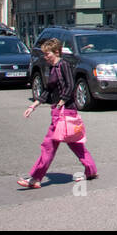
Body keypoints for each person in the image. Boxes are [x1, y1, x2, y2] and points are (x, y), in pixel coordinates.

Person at [18, 38, 97, 188]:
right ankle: (91, 170)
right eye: (44, 54)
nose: (45, 57)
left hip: (64, 111)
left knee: (48, 145)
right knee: (75, 143)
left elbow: (70, 85)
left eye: (47, 54)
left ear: (56, 52)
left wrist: (61, 102)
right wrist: (33, 106)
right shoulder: (53, 68)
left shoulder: (63, 65)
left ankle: (35, 178)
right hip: (61, 111)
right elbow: (47, 91)